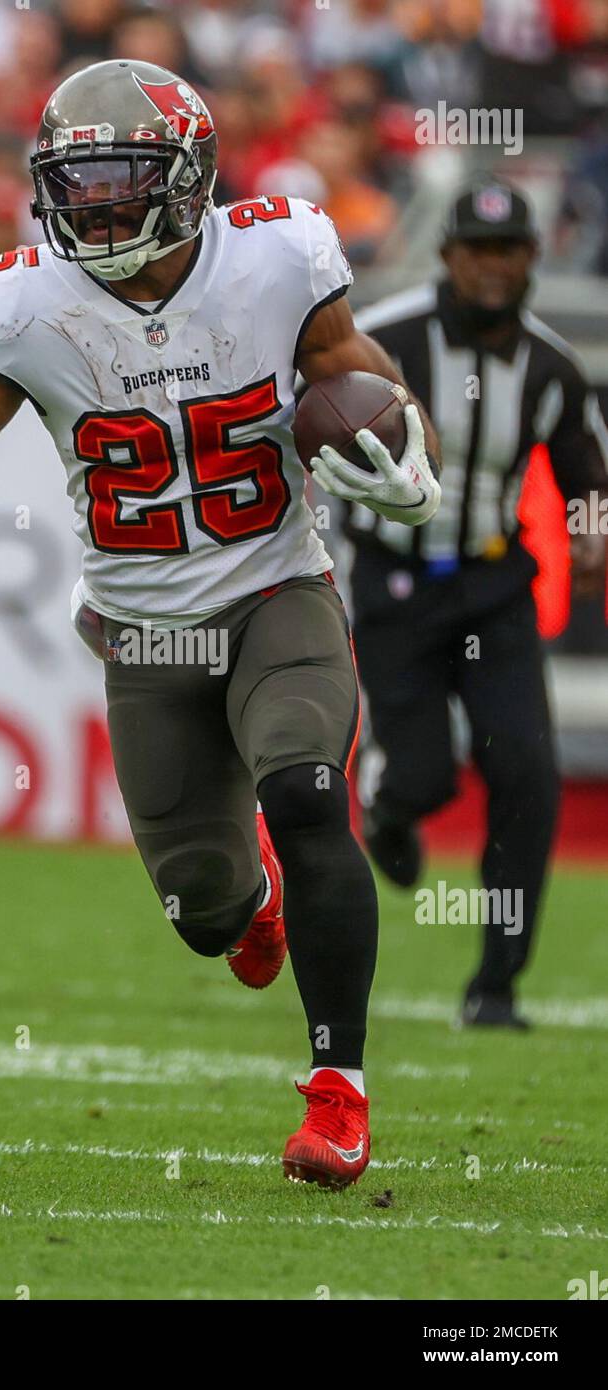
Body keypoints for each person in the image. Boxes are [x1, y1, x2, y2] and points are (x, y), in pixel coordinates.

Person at [0, 59, 441, 1187]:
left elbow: (365, 382)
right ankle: (253, 901)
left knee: (307, 790)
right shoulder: (25, 301)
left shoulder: (275, 258)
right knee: (206, 913)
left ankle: (339, 1093)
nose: (98, 204)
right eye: (79, 182)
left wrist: (413, 465)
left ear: (189, 176)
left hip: (275, 588)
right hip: (144, 628)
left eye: (123, 180)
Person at [346, 178, 608, 1029]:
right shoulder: (382, 342)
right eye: (477, 251)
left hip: (494, 586)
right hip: (394, 577)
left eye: (509, 252)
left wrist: (588, 532)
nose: (493, 268)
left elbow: (585, 479)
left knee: (526, 773)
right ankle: (390, 801)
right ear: (448, 255)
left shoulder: (549, 368)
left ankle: (495, 984)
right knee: (425, 777)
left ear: (532, 259)